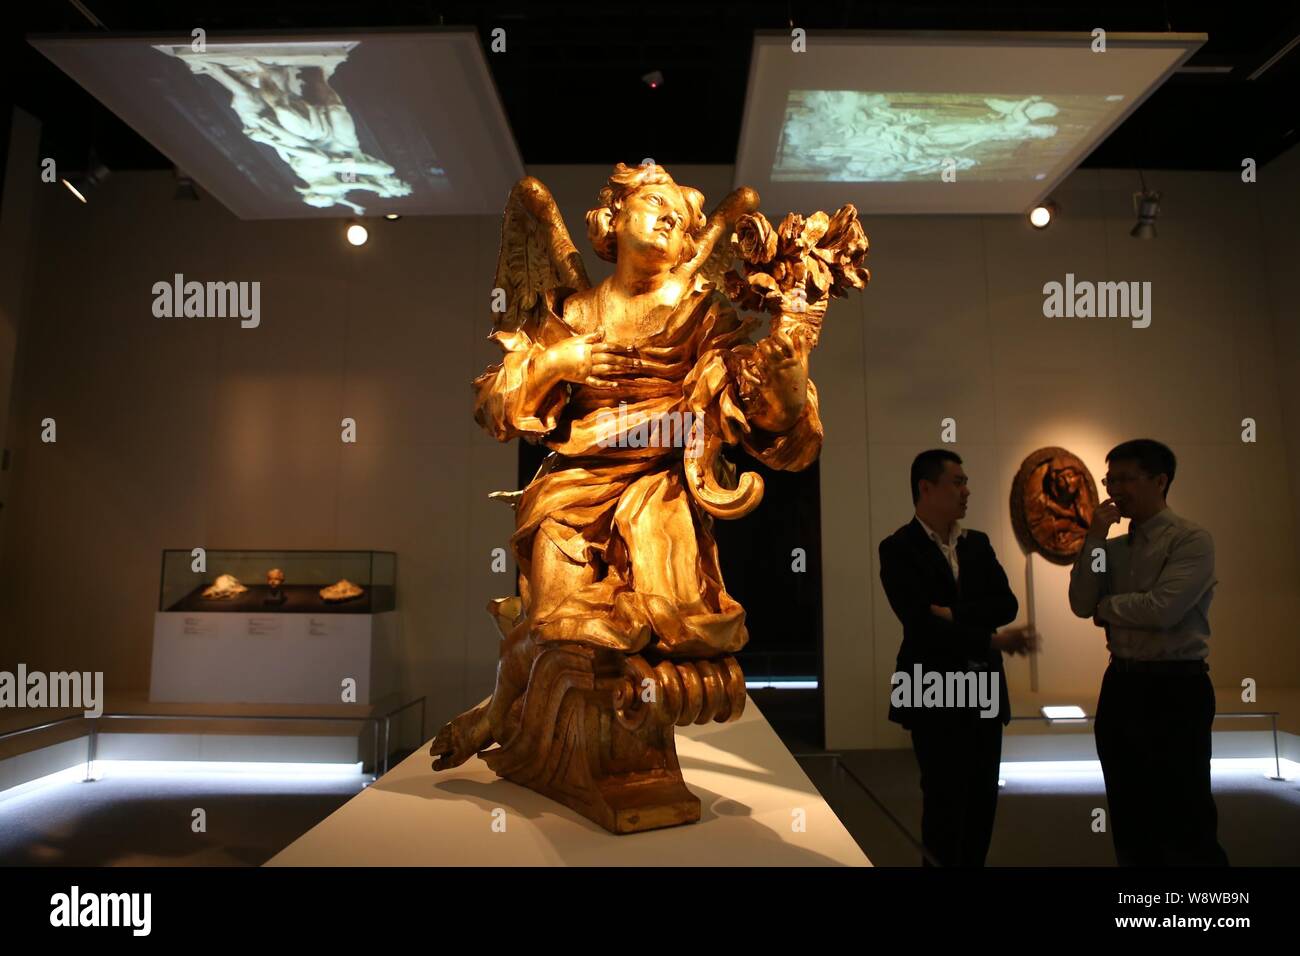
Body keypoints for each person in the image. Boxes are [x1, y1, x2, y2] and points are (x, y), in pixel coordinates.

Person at [1069, 439, 1228, 866]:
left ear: (1160, 481)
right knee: (1128, 812)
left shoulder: (1191, 540)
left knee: (1186, 813)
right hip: (1121, 685)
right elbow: (1082, 601)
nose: (1114, 489)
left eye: (1125, 479)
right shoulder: (1111, 550)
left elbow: (1163, 609)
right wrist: (1095, 537)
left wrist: (1108, 609)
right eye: (1110, 480)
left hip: (1176, 687)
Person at [879, 449, 1036, 866]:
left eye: (965, 481)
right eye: (958, 482)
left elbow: (1006, 605)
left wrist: (954, 614)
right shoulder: (898, 548)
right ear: (926, 488)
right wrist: (990, 642)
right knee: (945, 803)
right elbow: (919, 623)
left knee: (982, 802)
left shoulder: (977, 544)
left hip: (982, 688)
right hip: (931, 687)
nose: (967, 490)